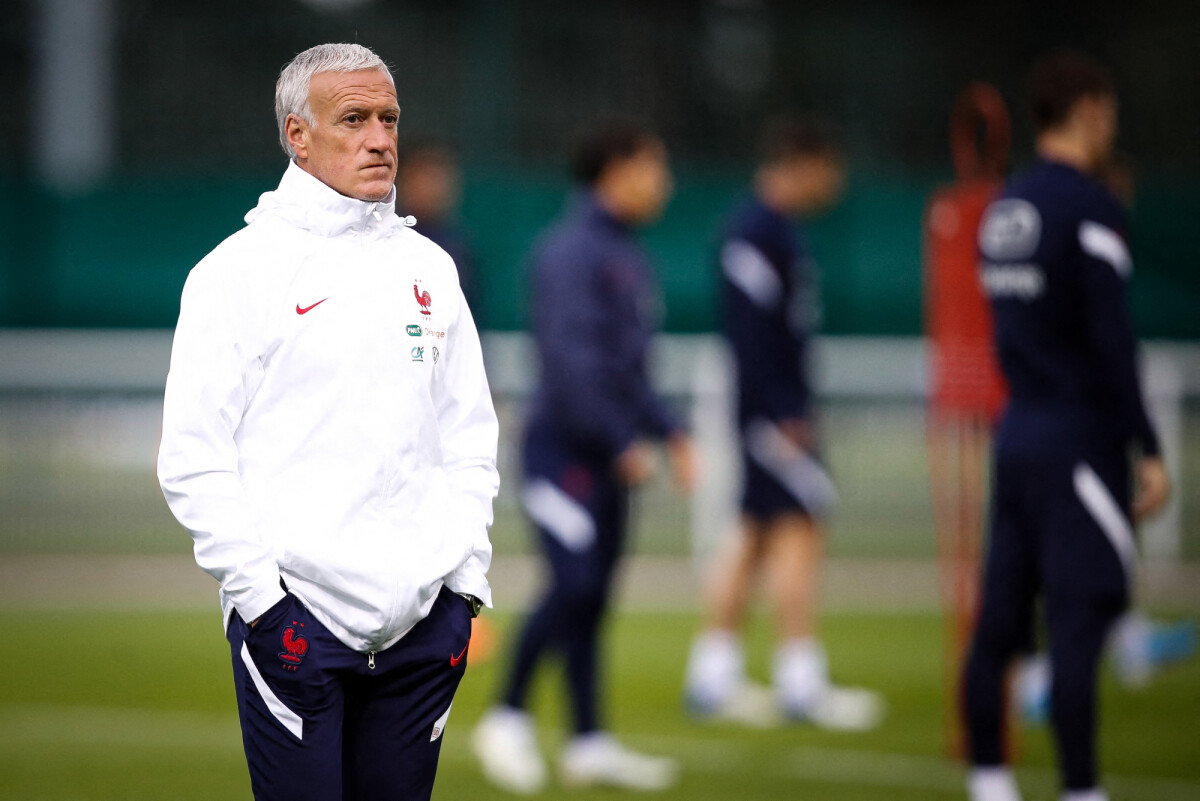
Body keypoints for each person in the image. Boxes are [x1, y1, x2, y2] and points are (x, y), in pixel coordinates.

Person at [157, 43, 499, 801]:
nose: (380, 138)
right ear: (297, 135)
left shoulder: (429, 267)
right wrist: (265, 606)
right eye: (354, 119)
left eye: (389, 118)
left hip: (421, 635)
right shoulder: (235, 273)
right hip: (294, 627)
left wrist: (461, 593)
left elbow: (468, 438)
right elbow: (191, 458)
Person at [964, 50, 1171, 801]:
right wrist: (1147, 443)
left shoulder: (1006, 207)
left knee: (999, 621)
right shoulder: (1089, 205)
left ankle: (989, 782)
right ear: (1088, 109)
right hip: (1078, 437)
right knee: (1079, 616)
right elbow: (1112, 338)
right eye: (1108, 111)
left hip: (1017, 432)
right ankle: (1080, 789)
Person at [472, 121, 695, 794]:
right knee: (570, 586)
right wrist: (621, 439)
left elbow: (630, 369)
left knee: (593, 598)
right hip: (562, 456)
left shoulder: (627, 252)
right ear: (618, 169)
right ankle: (504, 717)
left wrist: (671, 429)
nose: (665, 183)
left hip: (605, 456)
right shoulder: (570, 251)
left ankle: (589, 741)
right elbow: (571, 366)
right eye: (655, 167)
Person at [682, 119, 881, 730]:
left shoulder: (779, 232)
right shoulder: (754, 230)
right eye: (829, 170)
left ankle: (712, 675)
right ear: (803, 162)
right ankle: (801, 682)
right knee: (800, 526)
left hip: (775, 410)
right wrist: (782, 411)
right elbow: (750, 333)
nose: (834, 185)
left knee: (756, 534)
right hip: (772, 415)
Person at [394, 138, 482, 322]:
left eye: (441, 175)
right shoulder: (384, 237)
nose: (435, 186)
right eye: (425, 175)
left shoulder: (459, 247)